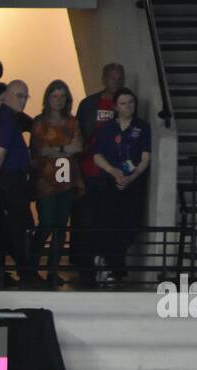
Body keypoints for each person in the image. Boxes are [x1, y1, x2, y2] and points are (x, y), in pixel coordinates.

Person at [90, 87, 151, 285]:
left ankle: (113, 264)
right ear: (116, 106)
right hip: (109, 182)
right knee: (109, 224)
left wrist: (131, 177)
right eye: (123, 103)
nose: (128, 107)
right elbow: (97, 155)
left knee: (130, 226)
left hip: (133, 184)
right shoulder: (107, 128)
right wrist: (113, 172)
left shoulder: (142, 127)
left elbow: (145, 158)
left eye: (131, 103)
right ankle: (113, 267)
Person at [72, 62, 126, 286]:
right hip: (89, 170)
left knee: (111, 220)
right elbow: (79, 133)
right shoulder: (89, 104)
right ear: (104, 79)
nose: (116, 82)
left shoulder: (125, 104)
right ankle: (86, 266)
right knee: (86, 220)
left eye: (119, 78)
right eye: (113, 77)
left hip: (113, 173)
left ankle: (110, 265)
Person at [30, 79, 82, 286]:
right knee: (46, 225)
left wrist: (56, 150)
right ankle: (31, 268)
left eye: (62, 96)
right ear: (48, 98)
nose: (58, 100)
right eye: (54, 95)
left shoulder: (72, 121)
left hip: (67, 179)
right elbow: (39, 150)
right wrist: (64, 149)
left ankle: (53, 271)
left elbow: (78, 146)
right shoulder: (39, 122)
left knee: (61, 227)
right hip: (45, 180)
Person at [0, 80, 35, 285]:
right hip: (9, 183)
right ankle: (25, 274)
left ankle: (13, 273)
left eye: (26, 97)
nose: (23, 101)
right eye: (19, 96)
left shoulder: (9, 119)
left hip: (12, 181)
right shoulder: (6, 120)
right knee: (19, 228)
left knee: (11, 229)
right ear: (6, 96)